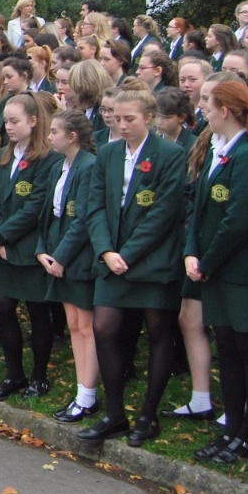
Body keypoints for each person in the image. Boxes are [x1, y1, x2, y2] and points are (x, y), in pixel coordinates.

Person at [184, 79, 248, 466]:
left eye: (208, 103)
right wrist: (192, 251)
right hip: (215, 269)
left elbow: (239, 221)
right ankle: (231, 430)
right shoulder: (216, 151)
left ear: (225, 110)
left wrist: (207, 262)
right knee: (227, 349)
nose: (203, 108)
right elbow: (200, 207)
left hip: (242, 270)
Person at [79, 87, 188, 444]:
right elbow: (93, 206)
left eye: (130, 119)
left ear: (149, 118)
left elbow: (164, 212)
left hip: (154, 260)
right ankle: (114, 413)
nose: (122, 125)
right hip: (113, 259)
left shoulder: (170, 154)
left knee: (158, 331)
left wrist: (129, 252)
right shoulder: (108, 154)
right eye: (117, 117)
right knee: (105, 327)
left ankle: (148, 415)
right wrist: (106, 250)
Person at [0, 92, 65, 399]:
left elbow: (36, 205)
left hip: (30, 246)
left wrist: (4, 235)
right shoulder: (4, 156)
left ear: (34, 121)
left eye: (15, 121)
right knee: (2, 306)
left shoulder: (48, 159)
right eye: (6, 121)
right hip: (4, 245)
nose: (9, 127)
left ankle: (39, 375)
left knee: (37, 311)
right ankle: (13, 373)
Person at [36, 109, 101, 421]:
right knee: (74, 325)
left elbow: (84, 219)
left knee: (86, 326)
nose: (49, 137)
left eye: (54, 132)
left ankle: (88, 394)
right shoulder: (59, 166)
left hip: (79, 257)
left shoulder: (88, 166)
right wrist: (42, 250)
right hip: (57, 252)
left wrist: (61, 256)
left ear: (72, 136)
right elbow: (48, 212)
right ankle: (80, 391)